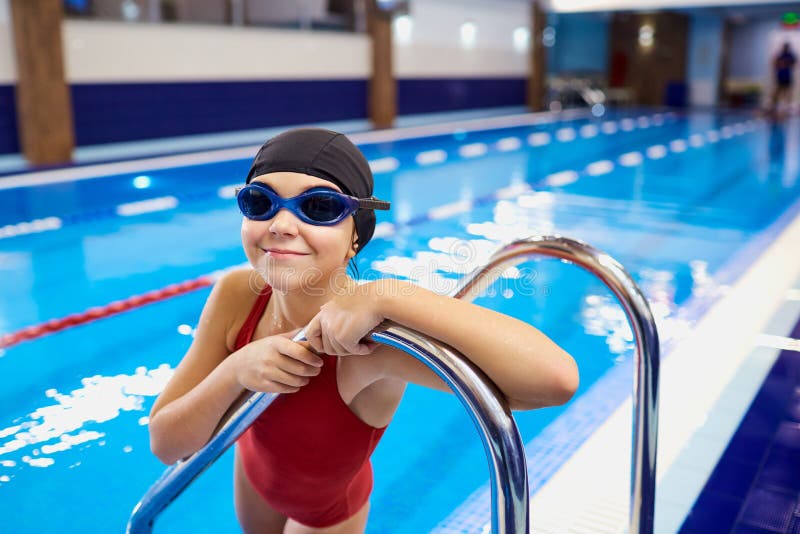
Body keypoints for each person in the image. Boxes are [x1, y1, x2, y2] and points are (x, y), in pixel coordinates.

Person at [148, 128, 579, 534]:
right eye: (260, 202)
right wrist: (236, 371)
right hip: (255, 480)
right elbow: (166, 444)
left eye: (318, 207)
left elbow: (555, 381)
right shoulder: (237, 295)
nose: (280, 225)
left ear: (356, 236)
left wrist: (391, 295)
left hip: (326, 514)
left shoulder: (376, 341)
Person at [770, 42, 797, 118]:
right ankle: (774, 108)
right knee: (776, 93)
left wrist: (786, 63)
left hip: (787, 77)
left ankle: (787, 109)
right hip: (780, 77)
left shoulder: (791, 55)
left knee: (788, 93)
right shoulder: (779, 55)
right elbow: (774, 63)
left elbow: (794, 63)